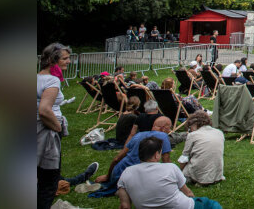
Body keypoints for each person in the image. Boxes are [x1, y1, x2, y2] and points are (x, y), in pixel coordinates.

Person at [37, 43, 100, 209]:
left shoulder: (37, 77)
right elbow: (44, 110)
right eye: (65, 58)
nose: (69, 61)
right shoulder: (51, 80)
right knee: (49, 180)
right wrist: (57, 127)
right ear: (52, 60)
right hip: (46, 132)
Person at [117, 136, 222, 209]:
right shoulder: (170, 167)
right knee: (212, 205)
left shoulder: (126, 172)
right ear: (156, 155)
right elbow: (188, 193)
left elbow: (125, 206)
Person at [94, 116, 175, 194]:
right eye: (169, 128)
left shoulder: (138, 135)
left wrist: (108, 177)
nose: (169, 131)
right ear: (163, 128)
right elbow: (166, 162)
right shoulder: (163, 136)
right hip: (136, 177)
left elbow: (117, 159)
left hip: (118, 174)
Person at [177, 111, 224, 186]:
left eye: (190, 127)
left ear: (194, 124)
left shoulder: (193, 135)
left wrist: (181, 171)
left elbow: (184, 157)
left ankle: (198, 179)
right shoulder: (219, 132)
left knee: (182, 174)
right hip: (217, 174)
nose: (190, 130)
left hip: (198, 171)